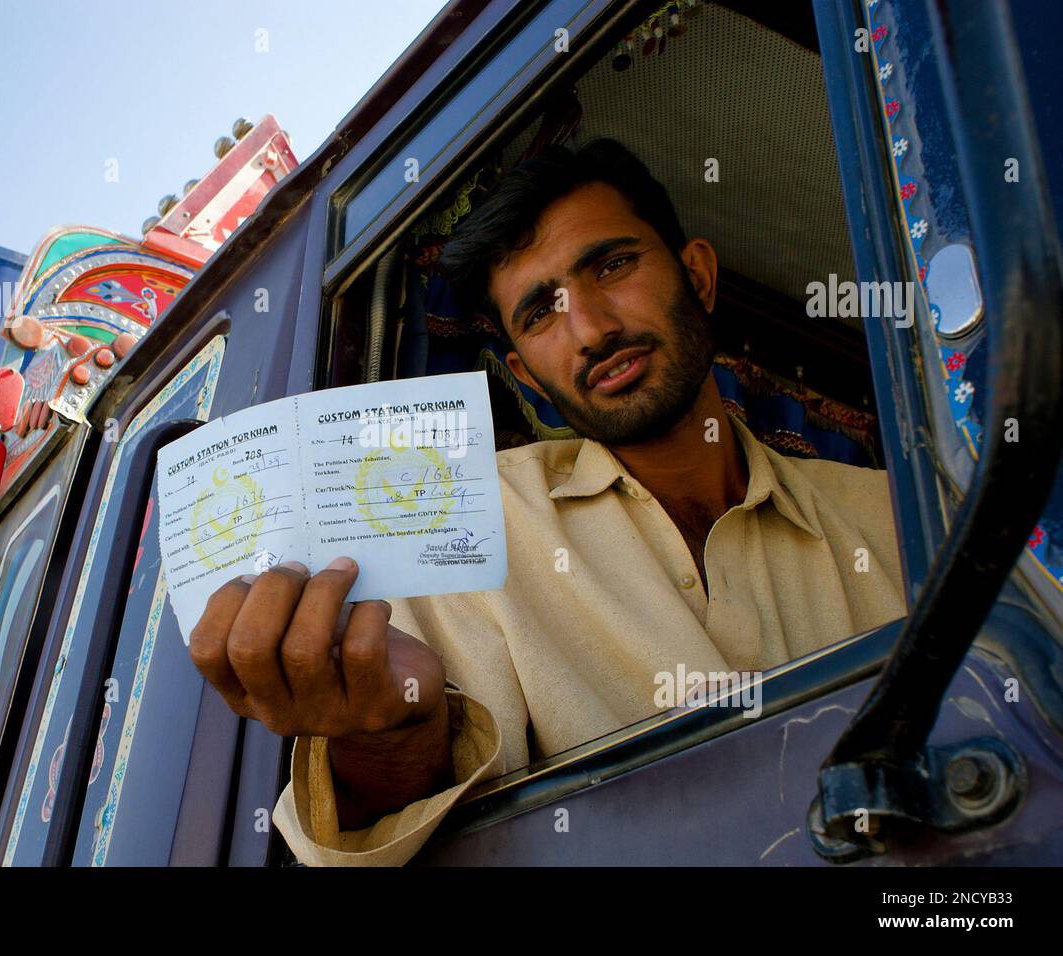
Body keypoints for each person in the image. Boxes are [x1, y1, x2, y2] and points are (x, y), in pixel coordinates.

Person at [187, 139, 908, 865]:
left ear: (698, 276)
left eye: (612, 266)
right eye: (539, 313)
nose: (591, 329)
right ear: (526, 379)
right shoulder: (467, 528)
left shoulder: (896, 517)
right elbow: (402, 824)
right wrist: (390, 733)